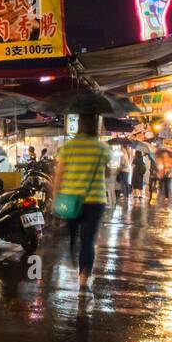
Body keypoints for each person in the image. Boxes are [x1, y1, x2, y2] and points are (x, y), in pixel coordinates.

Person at [52, 113, 110, 292]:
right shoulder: (101, 148)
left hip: (71, 199)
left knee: (73, 234)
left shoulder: (68, 147)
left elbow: (59, 175)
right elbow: (107, 173)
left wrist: (55, 197)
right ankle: (84, 278)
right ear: (95, 127)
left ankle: (72, 255)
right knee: (88, 240)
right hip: (95, 201)